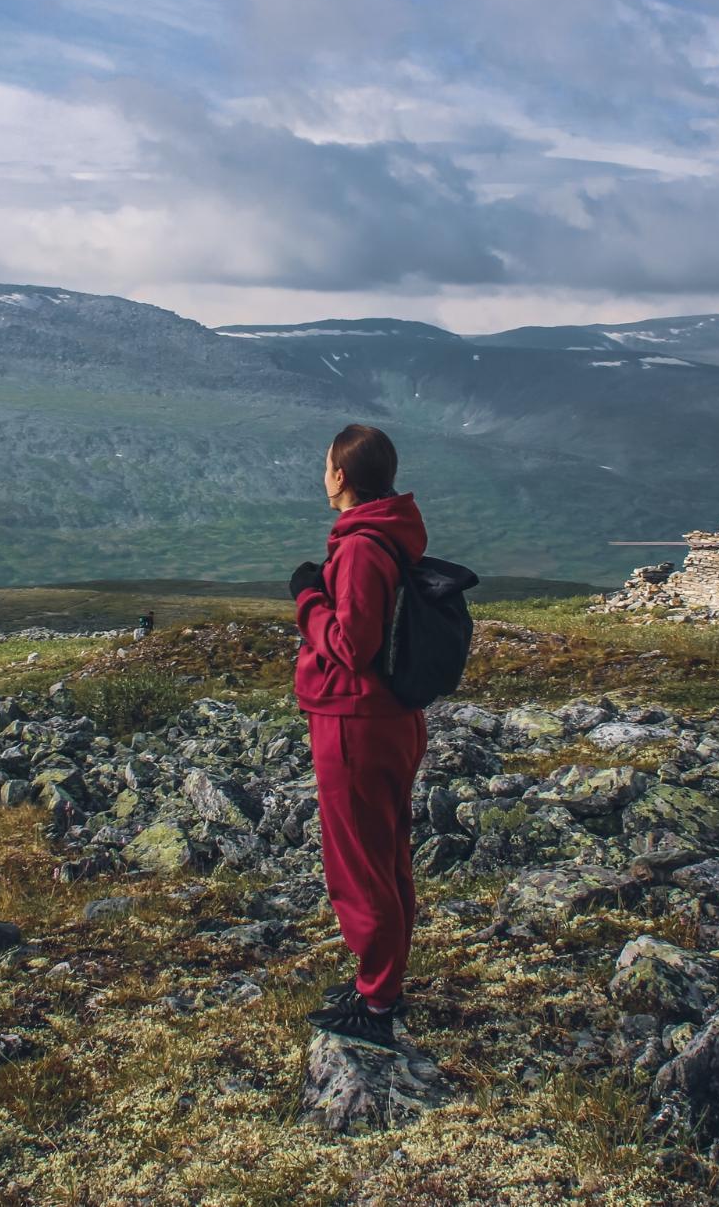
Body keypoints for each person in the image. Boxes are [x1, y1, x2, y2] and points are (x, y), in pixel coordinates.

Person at [291, 424, 428, 1051]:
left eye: (327, 466)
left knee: (359, 863)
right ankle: (381, 981)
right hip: (389, 719)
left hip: (356, 722)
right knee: (386, 852)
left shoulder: (361, 548)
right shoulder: (391, 539)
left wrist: (307, 601)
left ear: (341, 476)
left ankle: (376, 1003)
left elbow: (351, 645)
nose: (324, 475)